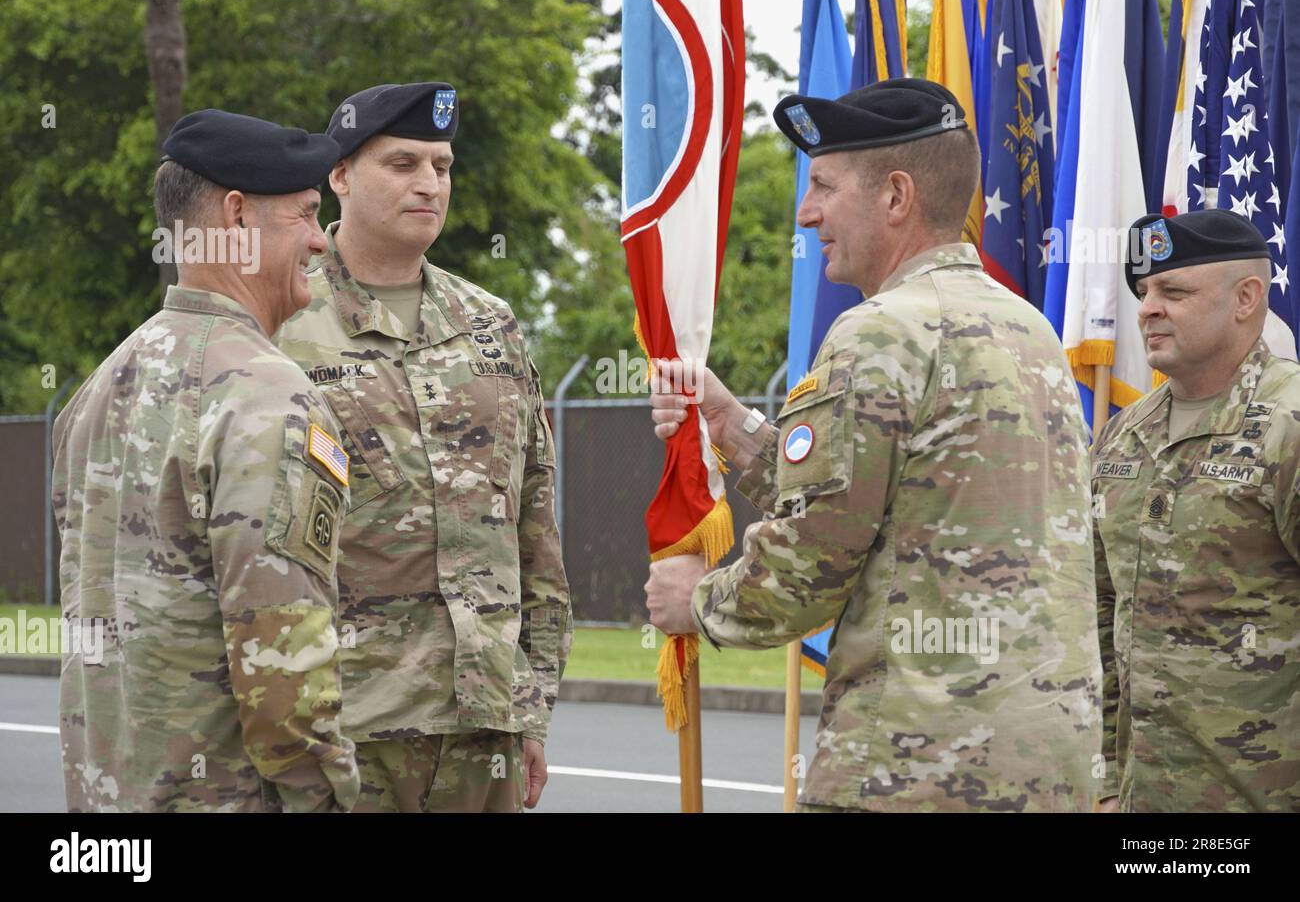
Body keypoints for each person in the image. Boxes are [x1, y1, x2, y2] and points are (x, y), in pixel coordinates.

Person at [644, 78, 1102, 812]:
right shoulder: (1029, 329)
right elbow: (897, 504)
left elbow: (811, 562)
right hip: (1046, 762)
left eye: (823, 186)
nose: (806, 213)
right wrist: (733, 426)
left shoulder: (884, 330)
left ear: (895, 196)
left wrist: (696, 599)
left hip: (917, 766)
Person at [274, 82, 570, 812]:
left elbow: (533, 522)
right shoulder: (283, 318)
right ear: (339, 176)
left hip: (484, 722)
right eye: (402, 163)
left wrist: (531, 702)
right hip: (344, 722)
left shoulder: (489, 322)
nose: (428, 184)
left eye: (441, 166)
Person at [52, 110, 359, 811]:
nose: (320, 240)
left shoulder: (101, 385)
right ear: (238, 216)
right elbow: (284, 668)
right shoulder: (268, 395)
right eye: (308, 214)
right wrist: (327, 799)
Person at [1093, 209, 1300, 812]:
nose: (1147, 308)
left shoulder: (1287, 425)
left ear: (1245, 298)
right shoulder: (1120, 437)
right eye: (1143, 291)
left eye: (1173, 291)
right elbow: (1098, 616)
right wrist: (1106, 782)